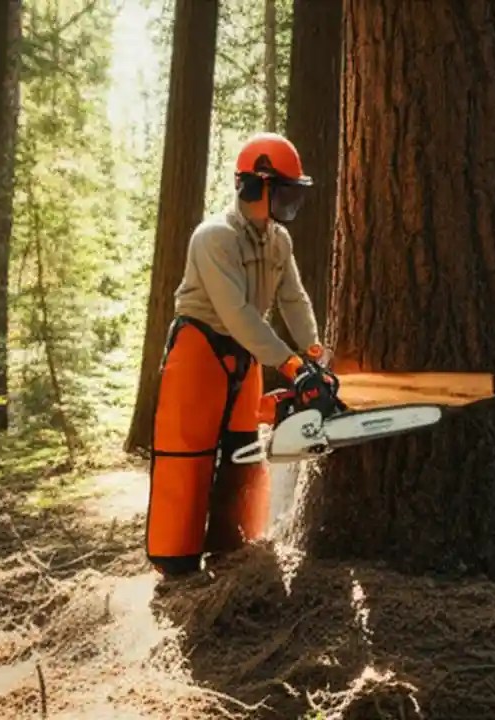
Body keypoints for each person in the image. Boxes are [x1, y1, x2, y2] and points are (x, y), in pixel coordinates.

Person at [144, 132, 335, 577]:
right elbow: (237, 313)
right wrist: (287, 364)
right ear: (254, 186)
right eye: (282, 192)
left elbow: (294, 299)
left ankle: (233, 548)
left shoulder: (278, 241)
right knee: (187, 458)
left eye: (294, 194)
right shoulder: (214, 238)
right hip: (201, 346)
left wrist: (312, 355)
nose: (289, 204)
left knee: (245, 452)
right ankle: (176, 563)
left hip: (247, 352)